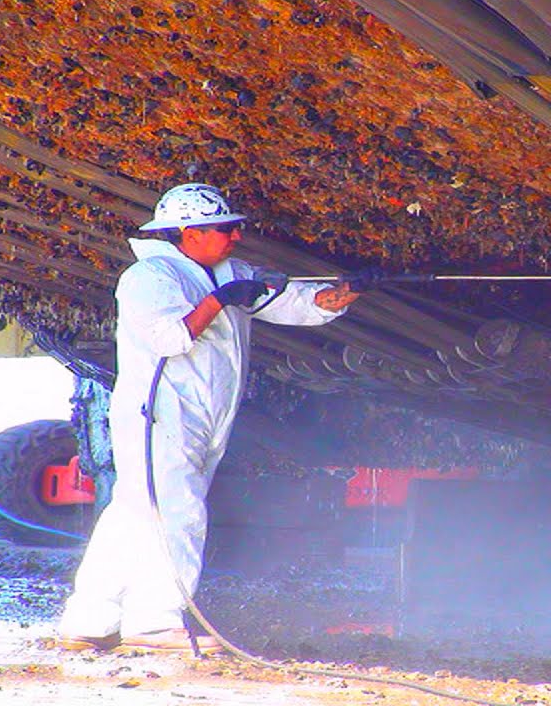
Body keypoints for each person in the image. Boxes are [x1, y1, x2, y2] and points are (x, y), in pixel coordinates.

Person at [56, 183, 379, 653]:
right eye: (226, 229)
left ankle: (89, 617)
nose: (235, 237)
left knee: (134, 513)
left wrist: (339, 295)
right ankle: (155, 620)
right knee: (179, 510)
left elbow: (290, 303)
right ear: (189, 233)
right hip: (159, 416)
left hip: (206, 415)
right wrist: (222, 298)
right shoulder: (149, 278)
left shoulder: (227, 271)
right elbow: (170, 339)